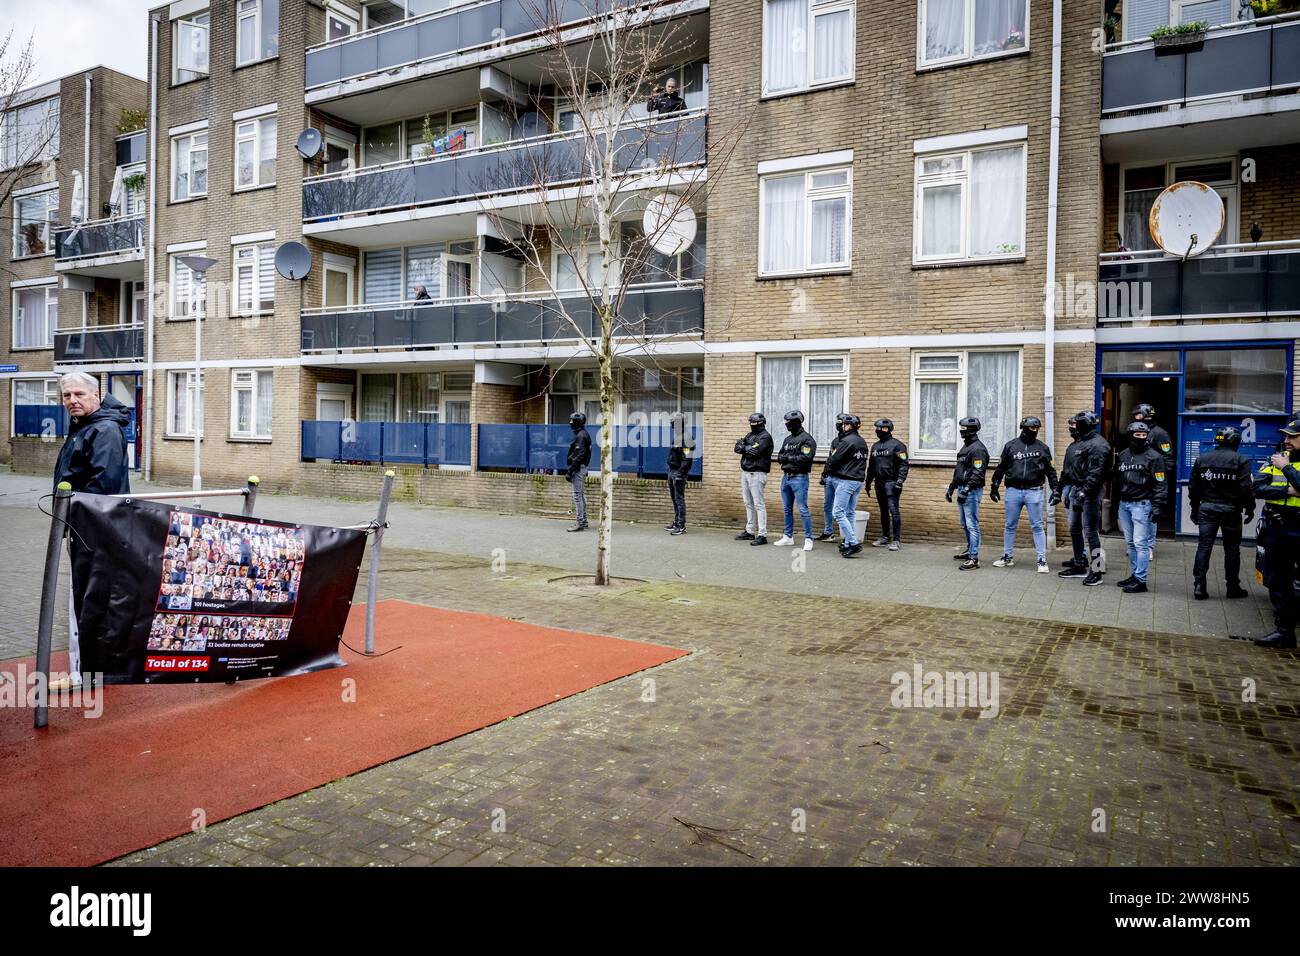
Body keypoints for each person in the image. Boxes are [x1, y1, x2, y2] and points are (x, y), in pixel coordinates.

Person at [51, 371, 132, 692]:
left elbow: (104, 486)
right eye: (67, 396)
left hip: (93, 528)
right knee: (91, 599)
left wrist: (72, 514)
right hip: (86, 527)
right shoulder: (85, 427)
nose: (72, 401)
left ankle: (82, 673)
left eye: (79, 395)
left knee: (85, 601)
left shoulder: (103, 430)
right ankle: (93, 668)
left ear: (96, 396)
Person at [1189, 425, 1253, 601]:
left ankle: (1199, 586)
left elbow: (1193, 487)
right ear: (1235, 442)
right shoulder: (1241, 461)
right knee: (1232, 550)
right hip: (1231, 511)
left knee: (1204, 547)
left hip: (1207, 508)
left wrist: (1194, 509)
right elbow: (1246, 488)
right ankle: (1232, 587)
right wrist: (1250, 508)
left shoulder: (1202, 459)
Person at [1252, 418, 1300, 649]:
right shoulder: (1276, 459)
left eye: (1293, 436)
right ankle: (1285, 632)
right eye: (1286, 436)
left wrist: (1286, 469)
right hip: (1278, 527)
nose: (1287, 440)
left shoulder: (1283, 463)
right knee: (1277, 580)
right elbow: (1257, 488)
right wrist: (1288, 489)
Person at [989, 415, 1058, 573]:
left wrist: (1055, 490)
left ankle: (1042, 560)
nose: (1035, 431)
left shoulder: (1042, 448)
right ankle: (1007, 556)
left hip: (1034, 491)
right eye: (1032, 428)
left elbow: (1051, 471)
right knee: (1009, 525)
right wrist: (994, 486)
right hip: (1013, 490)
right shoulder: (1011, 446)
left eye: (1037, 428)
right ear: (1024, 428)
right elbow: (1001, 468)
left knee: (1037, 526)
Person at [1057, 409, 1111, 586]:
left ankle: (1097, 570)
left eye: (1076, 423)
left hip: (1090, 493)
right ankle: (1080, 564)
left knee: (1090, 531)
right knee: (1074, 528)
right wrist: (1059, 491)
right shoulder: (1075, 445)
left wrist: (1084, 492)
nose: (1073, 426)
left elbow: (1097, 473)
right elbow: (1066, 471)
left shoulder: (1098, 445)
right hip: (1075, 489)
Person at [1113, 421, 1166, 594]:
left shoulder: (1155, 457)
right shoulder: (1123, 455)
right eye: (1138, 435)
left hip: (1142, 504)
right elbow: (1117, 478)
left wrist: (1158, 506)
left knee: (1140, 544)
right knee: (1130, 544)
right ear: (1130, 435)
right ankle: (1135, 575)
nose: (1141, 438)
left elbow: (1160, 483)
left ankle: (1141, 580)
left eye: (1144, 435)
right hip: (1124, 504)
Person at [823, 414, 869, 558]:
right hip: (857, 481)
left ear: (848, 425)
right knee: (849, 512)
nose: (842, 426)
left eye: (843, 424)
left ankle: (854, 543)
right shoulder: (862, 442)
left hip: (846, 481)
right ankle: (848, 543)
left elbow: (834, 459)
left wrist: (828, 469)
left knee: (837, 512)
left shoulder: (847, 441)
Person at [1133, 403, 1173, 560]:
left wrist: (1158, 477)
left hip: (1152, 481)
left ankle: (1149, 547)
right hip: (1138, 481)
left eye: (1137, 414)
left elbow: (1168, 458)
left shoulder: (1159, 433)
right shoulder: (1135, 430)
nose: (1134, 417)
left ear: (1144, 415)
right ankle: (1137, 545)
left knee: (1150, 515)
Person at [774, 410, 816, 551]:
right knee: (787, 509)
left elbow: (805, 459)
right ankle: (788, 537)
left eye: (789, 422)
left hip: (800, 477)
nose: (787, 424)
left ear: (797, 422)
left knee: (803, 509)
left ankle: (809, 538)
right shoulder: (787, 440)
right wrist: (789, 459)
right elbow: (780, 456)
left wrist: (789, 459)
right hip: (786, 477)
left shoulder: (807, 439)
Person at [865, 418, 908, 551]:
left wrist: (900, 481)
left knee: (893, 510)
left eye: (882, 428)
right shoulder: (875, 446)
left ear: (889, 429)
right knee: (883, 511)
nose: (879, 431)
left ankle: (896, 539)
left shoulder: (898, 445)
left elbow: (904, 464)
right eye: (877, 428)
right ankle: (885, 536)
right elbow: (871, 466)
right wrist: (868, 482)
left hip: (892, 482)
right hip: (879, 482)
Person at [734, 412, 773, 546]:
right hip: (745, 472)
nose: (752, 425)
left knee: (759, 504)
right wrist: (745, 448)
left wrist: (743, 447)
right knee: (748, 503)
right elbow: (737, 448)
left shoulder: (765, 437)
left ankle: (762, 534)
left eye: (755, 423)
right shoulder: (750, 435)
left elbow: (754, 453)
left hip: (757, 473)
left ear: (761, 423)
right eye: (751, 423)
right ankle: (750, 531)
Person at [664, 411, 694, 536]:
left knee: (679, 499)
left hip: (678, 473)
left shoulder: (686, 437)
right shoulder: (677, 436)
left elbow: (687, 459)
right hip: (672, 471)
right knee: (674, 499)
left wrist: (680, 474)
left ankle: (681, 526)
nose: (671, 423)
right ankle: (676, 522)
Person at [565, 411, 592, 532]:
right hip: (582, 467)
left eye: (572, 421)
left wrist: (570, 471)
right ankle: (584, 521)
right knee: (581, 494)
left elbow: (579, 455)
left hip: (578, 468)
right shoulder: (584, 434)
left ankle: (580, 522)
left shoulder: (581, 436)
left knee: (577, 496)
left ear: (577, 423)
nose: (570, 423)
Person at [815, 426, 842, 543]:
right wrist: (824, 473)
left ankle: (847, 536)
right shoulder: (835, 441)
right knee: (827, 506)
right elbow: (830, 458)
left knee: (841, 508)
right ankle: (828, 532)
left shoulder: (851, 441)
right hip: (830, 477)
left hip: (841, 478)